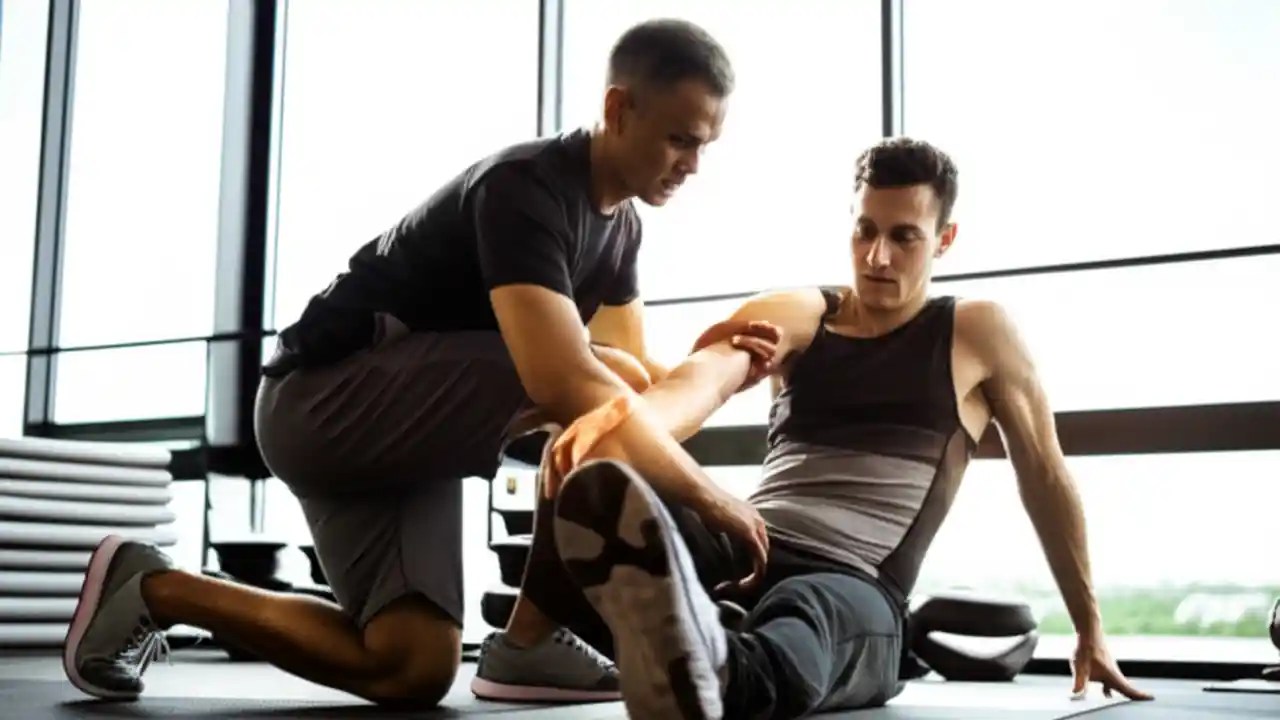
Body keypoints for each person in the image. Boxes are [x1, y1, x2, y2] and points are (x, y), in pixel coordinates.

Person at [60, 18, 777, 708]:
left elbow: (641, 387)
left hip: (404, 447)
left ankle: (155, 589)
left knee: (412, 665)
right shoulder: (526, 187)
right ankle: (530, 636)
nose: (692, 165)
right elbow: (567, 382)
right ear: (619, 108)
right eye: (680, 140)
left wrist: (720, 358)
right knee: (594, 388)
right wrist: (713, 499)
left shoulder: (619, 232)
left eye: (705, 145)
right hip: (320, 402)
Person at [516, 137, 1157, 719]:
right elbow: (693, 387)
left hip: (854, 582)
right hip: (744, 544)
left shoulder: (977, 332)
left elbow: (1043, 473)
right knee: (591, 459)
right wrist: (623, 426)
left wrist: (1090, 627)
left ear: (945, 239)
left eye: (904, 236)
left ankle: (712, 665)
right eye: (864, 231)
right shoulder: (800, 312)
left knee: (809, 616)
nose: (877, 257)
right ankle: (643, 638)